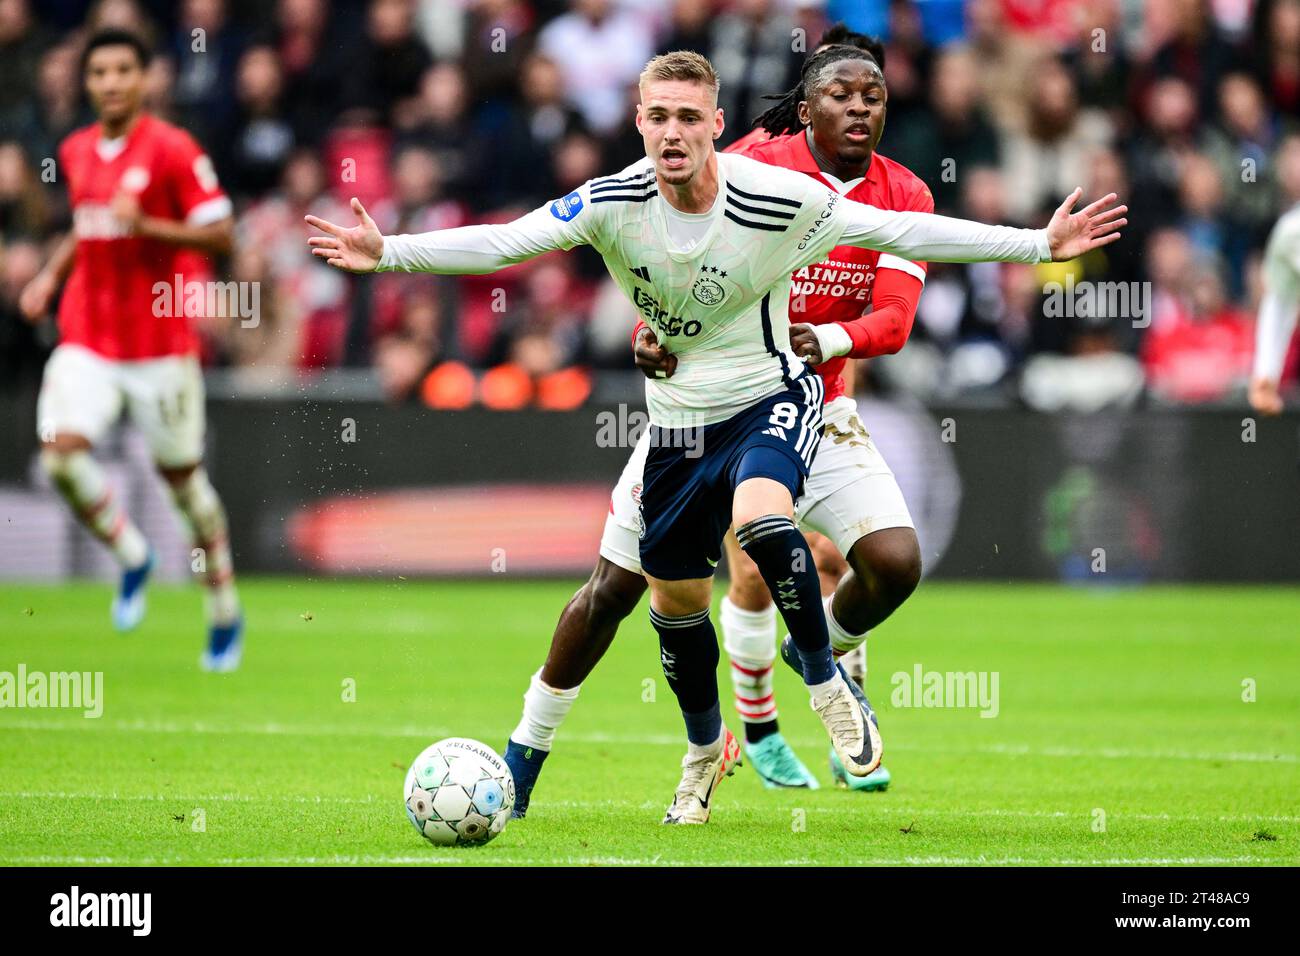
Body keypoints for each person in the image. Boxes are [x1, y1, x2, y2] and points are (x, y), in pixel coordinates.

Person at [305, 50, 1125, 823]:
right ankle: (664, 751)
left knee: (766, 521)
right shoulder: (610, 202)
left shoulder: (773, 197)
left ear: (716, 125)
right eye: (657, 116)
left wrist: (1036, 245)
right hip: (675, 427)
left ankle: (825, 681)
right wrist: (388, 255)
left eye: (688, 118)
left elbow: (905, 234)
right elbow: (505, 240)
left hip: (776, 397)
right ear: (637, 122)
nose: (672, 133)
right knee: (638, 600)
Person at [18, 29, 244, 671]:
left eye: (122, 70)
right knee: (61, 456)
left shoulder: (174, 150)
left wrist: (146, 225)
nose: (111, 82)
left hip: (158, 347)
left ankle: (223, 605)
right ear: (86, 83)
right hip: (88, 336)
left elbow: (223, 235)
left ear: (143, 80)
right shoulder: (76, 148)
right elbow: (86, 225)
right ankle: (132, 554)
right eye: (99, 72)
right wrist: (49, 277)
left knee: (185, 489)